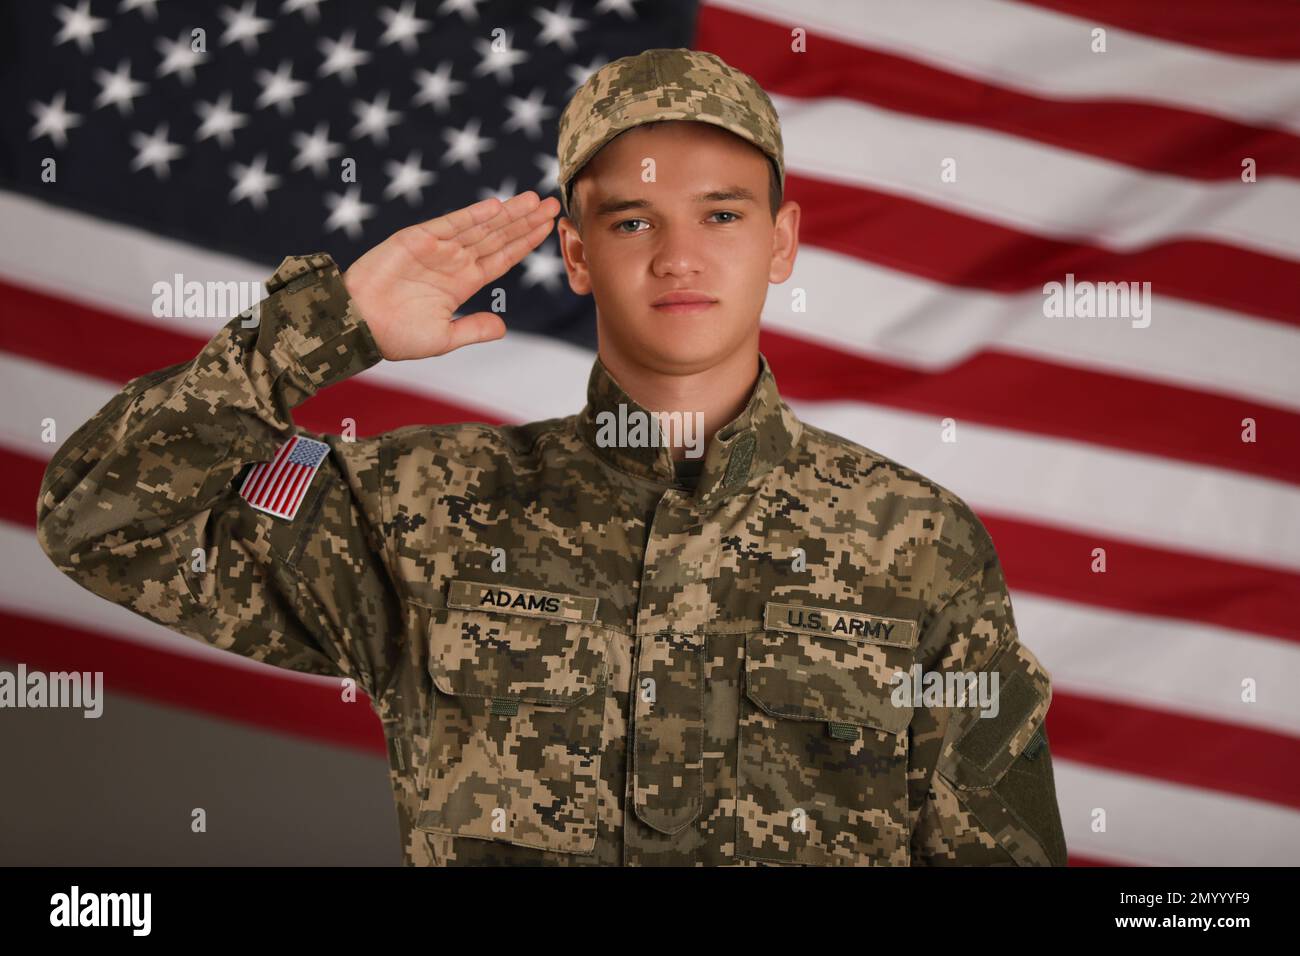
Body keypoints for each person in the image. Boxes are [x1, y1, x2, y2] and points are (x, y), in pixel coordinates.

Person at [36, 48, 1066, 866]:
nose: (678, 256)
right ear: (575, 252)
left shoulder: (918, 542)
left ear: (781, 240)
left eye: (722, 214)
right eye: (631, 220)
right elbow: (101, 516)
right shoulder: (429, 508)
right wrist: (328, 325)